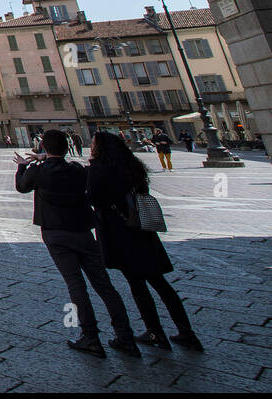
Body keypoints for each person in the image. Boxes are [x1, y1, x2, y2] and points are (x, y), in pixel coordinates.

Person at [14, 129, 139, 358]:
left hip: (55, 234)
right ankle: (125, 335)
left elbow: (21, 186)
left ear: (43, 148)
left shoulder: (38, 172)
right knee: (105, 285)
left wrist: (23, 165)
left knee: (75, 285)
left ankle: (90, 336)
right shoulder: (78, 170)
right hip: (83, 232)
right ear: (67, 147)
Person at [86, 131, 203, 352]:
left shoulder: (99, 168)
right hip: (143, 229)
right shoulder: (133, 166)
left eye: (93, 144)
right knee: (161, 284)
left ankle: (154, 332)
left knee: (137, 285)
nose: (91, 147)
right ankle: (187, 332)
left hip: (119, 232)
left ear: (99, 148)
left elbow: (93, 197)